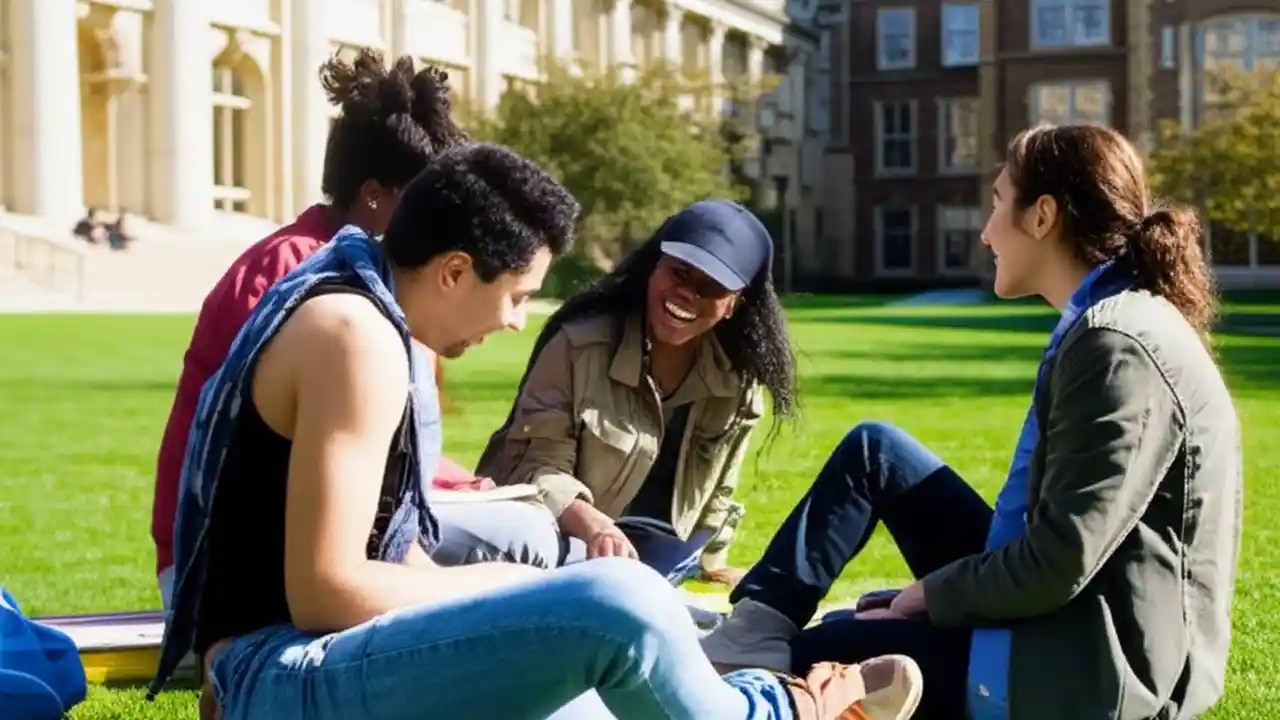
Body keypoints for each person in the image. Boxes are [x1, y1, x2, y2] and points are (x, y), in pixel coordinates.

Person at [147, 142, 924, 720]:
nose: (518, 322)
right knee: (615, 601)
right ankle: (783, 710)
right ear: (454, 271)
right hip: (269, 675)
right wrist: (509, 588)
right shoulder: (354, 338)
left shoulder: (369, 310)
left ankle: (759, 696)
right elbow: (324, 592)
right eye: (517, 295)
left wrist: (512, 604)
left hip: (303, 659)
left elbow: (394, 549)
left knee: (593, 689)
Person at [698, 124, 1244, 720]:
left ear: (1042, 216)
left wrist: (927, 595)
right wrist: (935, 597)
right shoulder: (1113, 321)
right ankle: (755, 625)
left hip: (1088, 675)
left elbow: (1060, 561)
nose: (986, 233)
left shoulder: (1117, 346)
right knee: (874, 453)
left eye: (996, 204)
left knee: (814, 659)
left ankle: (756, 663)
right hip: (1066, 620)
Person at [149, 48, 557, 611]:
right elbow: (292, 469)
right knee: (527, 543)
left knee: (533, 538)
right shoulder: (316, 287)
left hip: (309, 552)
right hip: (229, 575)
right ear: (374, 195)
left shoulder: (387, 288)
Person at [476, 199, 797, 585]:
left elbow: (718, 496)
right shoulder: (577, 348)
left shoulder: (737, 384)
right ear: (654, 268)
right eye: (679, 274)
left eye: (711, 287)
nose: (687, 294)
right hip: (549, 543)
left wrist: (710, 567)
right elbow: (537, 469)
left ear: (733, 304)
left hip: (653, 566)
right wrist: (597, 529)